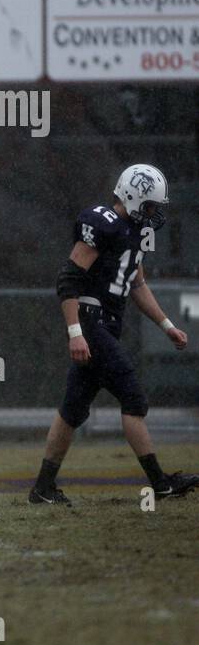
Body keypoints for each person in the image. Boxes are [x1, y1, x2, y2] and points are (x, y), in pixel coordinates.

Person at [30, 163, 195, 505]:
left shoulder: (132, 232)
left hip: (104, 326)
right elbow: (68, 280)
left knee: (72, 410)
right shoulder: (102, 222)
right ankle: (160, 483)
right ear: (133, 196)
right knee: (134, 399)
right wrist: (76, 333)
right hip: (91, 323)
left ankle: (42, 488)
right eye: (150, 205)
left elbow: (137, 285)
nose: (153, 214)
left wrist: (167, 327)